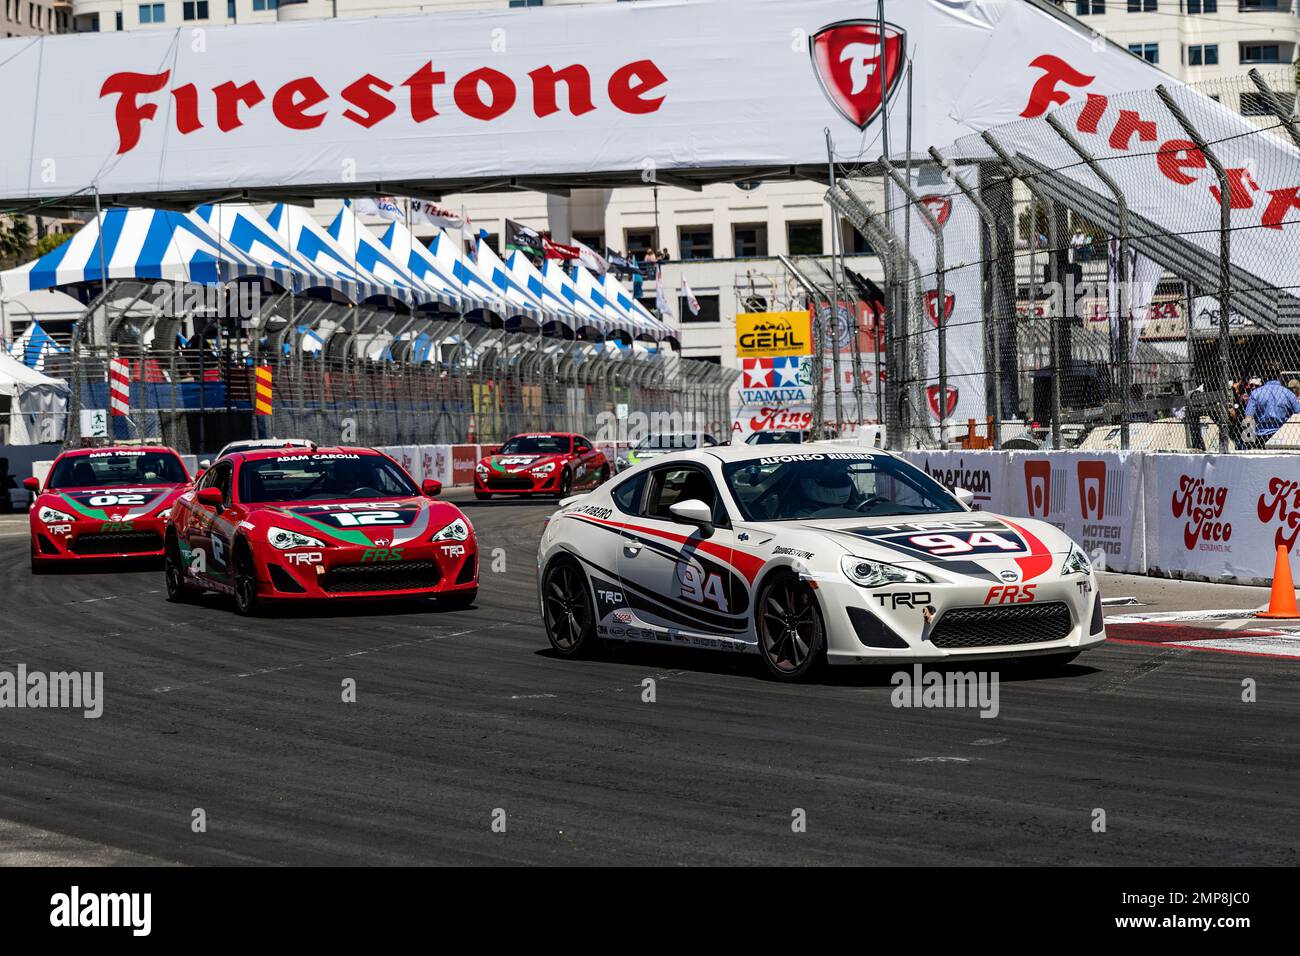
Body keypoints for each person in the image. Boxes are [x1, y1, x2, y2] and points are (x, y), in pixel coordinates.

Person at [1243, 365, 1300, 446]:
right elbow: (1298, 413)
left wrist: (1248, 442)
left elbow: (1248, 418)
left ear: (1264, 376)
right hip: (1283, 434)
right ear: (1280, 375)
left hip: (1261, 436)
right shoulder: (1288, 393)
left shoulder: (1256, 393)